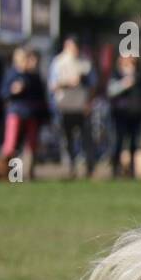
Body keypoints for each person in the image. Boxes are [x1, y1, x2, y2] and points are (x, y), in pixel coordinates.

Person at [49, 37, 95, 178]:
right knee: (67, 140)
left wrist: (89, 102)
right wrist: (69, 83)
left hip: (81, 107)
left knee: (86, 138)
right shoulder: (58, 62)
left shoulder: (85, 62)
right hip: (65, 107)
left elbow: (93, 84)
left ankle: (89, 168)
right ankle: (70, 167)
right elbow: (52, 86)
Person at [0, 47, 48, 176]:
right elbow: (3, 93)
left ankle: (27, 173)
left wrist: (44, 115)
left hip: (31, 114)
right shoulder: (11, 74)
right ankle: (11, 174)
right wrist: (12, 91)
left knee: (31, 145)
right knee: (11, 144)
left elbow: (41, 98)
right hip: (15, 112)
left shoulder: (34, 77)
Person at [106, 51, 141, 178]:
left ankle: (132, 171)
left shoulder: (139, 76)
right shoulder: (116, 74)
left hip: (136, 114)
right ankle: (115, 170)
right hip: (120, 114)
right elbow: (110, 91)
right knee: (118, 142)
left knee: (134, 143)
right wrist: (124, 84)